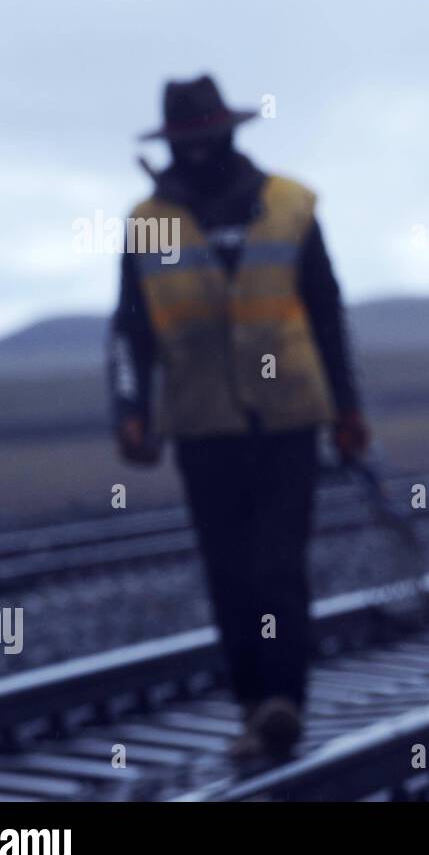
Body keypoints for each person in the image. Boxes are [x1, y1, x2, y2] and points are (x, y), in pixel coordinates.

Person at [108, 75, 369, 762]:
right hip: (201, 423)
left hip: (287, 418)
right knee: (229, 571)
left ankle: (283, 700)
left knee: (278, 563)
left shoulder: (289, 204)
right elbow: (128, 331)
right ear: (172, 142)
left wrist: (347, 408)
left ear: (228, 131)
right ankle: (255, 704)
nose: (197, 150)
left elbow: (325, 310)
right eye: (185, 140)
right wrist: (129, 410)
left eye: (205, 136)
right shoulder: (148, 219)